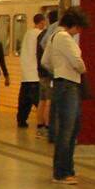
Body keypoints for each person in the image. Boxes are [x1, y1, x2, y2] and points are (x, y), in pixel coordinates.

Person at [42, 7, 89, 185]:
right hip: (69, 85)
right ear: (74, 25)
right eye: (79, 28)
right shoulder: (64, 38)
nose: (79, 32)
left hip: (60, 83)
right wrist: (81, 68)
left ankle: (65, 170)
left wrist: (58, 70)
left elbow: (45, 61)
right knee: (68, 130)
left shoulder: (54, 36)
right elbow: (78, 62)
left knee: (66, 129)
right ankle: (62, 172)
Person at [16, 12, 47, 128]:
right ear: (42, 22)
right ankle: (42, 122)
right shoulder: (40, 35)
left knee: (24, 100)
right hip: (36, 74)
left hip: (26, 73)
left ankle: (21, 120)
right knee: (38, 101)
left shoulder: (27, 34)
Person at [36, 8, 59, 136]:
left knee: (42, 100)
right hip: (49, 72)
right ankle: (49, 126)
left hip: (41, 72)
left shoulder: (41, 34)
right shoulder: (52, 35)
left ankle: (40, 125)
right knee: (50, 100)